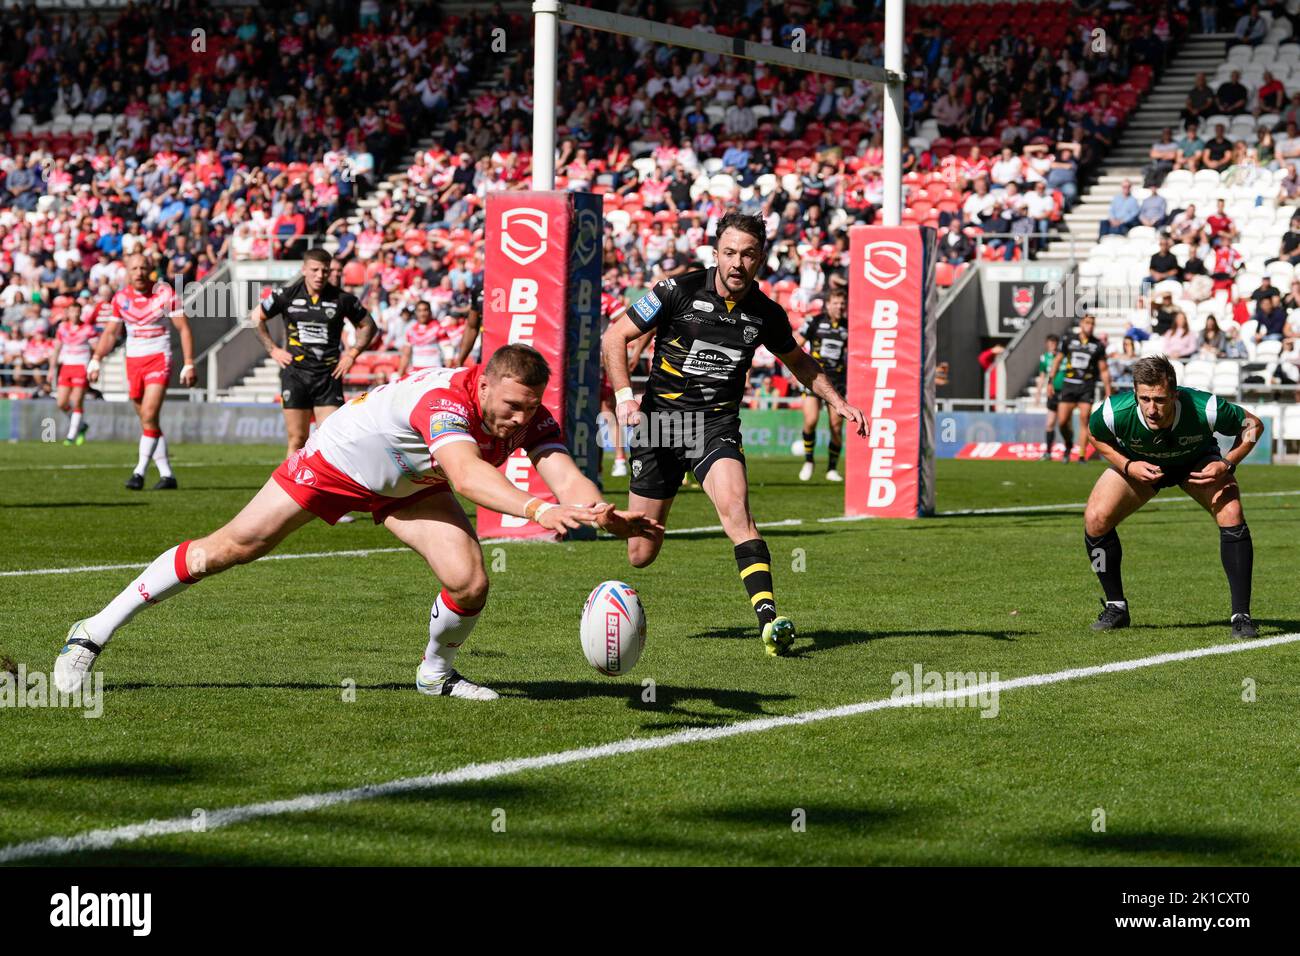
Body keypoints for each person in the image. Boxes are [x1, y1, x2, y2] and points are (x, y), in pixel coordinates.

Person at [54, 345, 663, 700]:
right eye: (510, 408)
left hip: (410, 483)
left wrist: (599, 512)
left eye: (529, 410)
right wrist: (537, 510)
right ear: (483, 384)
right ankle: (93, 630)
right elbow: (469, 477)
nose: (518, 421)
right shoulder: (445, 402)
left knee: (470, 581)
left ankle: (435, 673)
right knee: (234, 547)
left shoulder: (527, 414)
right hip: (341, 460)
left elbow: (564, 474)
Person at [601, 210, 867, 657]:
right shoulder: (676, 290)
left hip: (714, 425)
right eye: (729, 253)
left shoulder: (765, 312)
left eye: (747, 254)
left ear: (760, 259)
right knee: (641, 553)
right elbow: (615, 336)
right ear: (715, 254)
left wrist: (836, 401)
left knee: (737, 510)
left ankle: (769, 620)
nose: (737, 263)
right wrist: (626, 395)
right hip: (660, 425)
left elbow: (799, 362)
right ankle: (604, 523)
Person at [1083, 355, 1262, 638]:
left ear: (1175, 395)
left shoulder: (1207, 407)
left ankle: (1241, 615)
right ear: (1134, 394)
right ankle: (1116, 606)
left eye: (1161, 400)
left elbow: (1253, 426)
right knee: (1095, 519)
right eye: (1144, 399)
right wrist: (1127, 465)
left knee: (1231, 513)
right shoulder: (1111, 412)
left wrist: (1228, 463)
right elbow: (1095, 435)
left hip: (1196, 464)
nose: (1152, 409)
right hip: (1143, 466)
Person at [252, 249, 378, 460]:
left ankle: (325, 491)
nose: (320, 275)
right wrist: (273, 349)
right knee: (297, 439)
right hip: (295, 375)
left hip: (328, 376)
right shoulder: (286, 295)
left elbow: (368, 325)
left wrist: (352, 353)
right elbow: (256, 317)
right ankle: (292, 490)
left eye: (325, 271)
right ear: (304, 270)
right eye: (315, 270)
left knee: (329, 440)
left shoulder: (342, 299)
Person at [87, 253, 197, 490]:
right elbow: (110, 333)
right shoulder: (120, 298)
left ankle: (138, 472)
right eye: (134, 268)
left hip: (159, 359)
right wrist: (96, 358)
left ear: (151, 270)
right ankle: (168, 475)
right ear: (127, 271)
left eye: (143, 268)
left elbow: (184, 329)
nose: (139, 272)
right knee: (148, 422)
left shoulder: (165, 294)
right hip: (133, 361)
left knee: (148, 414)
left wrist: (188, 362)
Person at [793, 286, 849, 482]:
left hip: (838, 381)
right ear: (827, 304)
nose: (840, 307)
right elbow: (795, 343)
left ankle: (832, 468)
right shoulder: (815, 322)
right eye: (836, 303)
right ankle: (809, 461)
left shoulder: (849, 326)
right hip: (814, 377)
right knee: (811, 420)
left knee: (835, 425)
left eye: (843, 303)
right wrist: (796, 367)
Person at [1047, 313, 1112, 463]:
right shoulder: (1069, 340)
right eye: (1087, 323)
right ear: (1081, 324)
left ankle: (1081, 455)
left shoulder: (1098, 345)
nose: (1090, 326)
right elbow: (1057, 361)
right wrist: (1050, 382)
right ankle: (1069, 443)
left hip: (1086, 386)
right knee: (1062, 422)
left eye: (1092, 324)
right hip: (1069, 384)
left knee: (1084, 419)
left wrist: (1108, 391)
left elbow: (1103, 370)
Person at [49, 300, 97, 445]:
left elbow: (95, 348)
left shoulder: (88, 328)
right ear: (67, 313)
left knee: (77, 401)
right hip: (66, 367)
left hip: (81, 366)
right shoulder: (62, 328)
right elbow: (57, 348)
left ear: (81, 313)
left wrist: (94, 367)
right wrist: (52, 368)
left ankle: (71, 435)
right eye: (72, 311)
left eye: (77, 311)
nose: (75, 314)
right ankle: (81, 426)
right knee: (61, 402)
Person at [396, 301, 448, 378]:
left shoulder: (439, 329)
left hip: (435, 372)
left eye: (425, 310)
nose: (422, 314)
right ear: (416, 313)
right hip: (417, 373)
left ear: (430, 312)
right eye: (419, 311)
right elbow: (406, 355)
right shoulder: (411, 331)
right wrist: (399, 375)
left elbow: (448, 353)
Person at [1036, 333, 1066, 459]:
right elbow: (1042, 376)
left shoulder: (1064, 357)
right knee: (1050, 423)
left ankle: (1067, 451)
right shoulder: (1044, 358)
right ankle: (1048, 452)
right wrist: (1038, 393)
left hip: (1065, 393)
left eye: (1055, 344)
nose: (1053, 346)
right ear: (1047, 345)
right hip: (1052, 393)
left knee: (1064, 423)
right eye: (1051, 343)